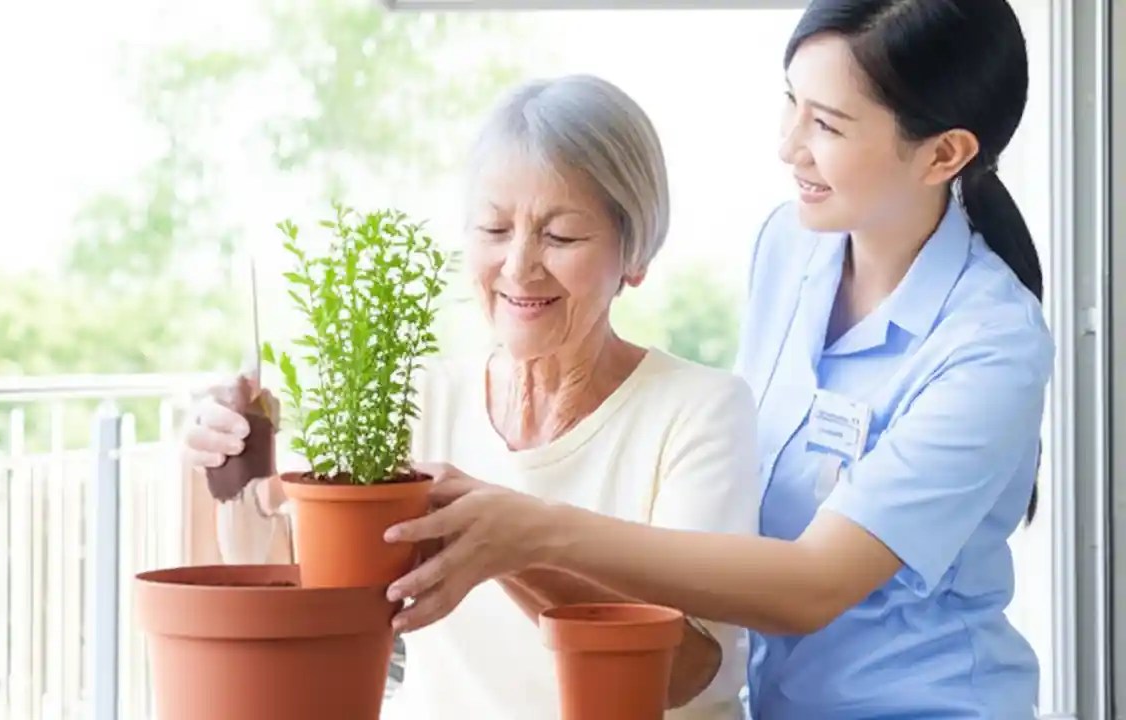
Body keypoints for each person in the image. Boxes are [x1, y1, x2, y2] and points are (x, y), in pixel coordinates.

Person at [379, 1, 1053, 718]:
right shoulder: (791, 247)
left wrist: (538, 531)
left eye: (825, 124)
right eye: (791, 103)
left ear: (944, 154)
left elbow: (812, 584)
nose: (788, 145)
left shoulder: (991, 345)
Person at [183, 74, 760, 719]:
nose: (518, 266)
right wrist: (237, 473)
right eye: (492, 229)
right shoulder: (421, 398)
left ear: (636, 253)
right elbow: (295, 590)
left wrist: (518, 547)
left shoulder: (700, 411)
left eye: (561, 236)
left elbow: (685, 673)